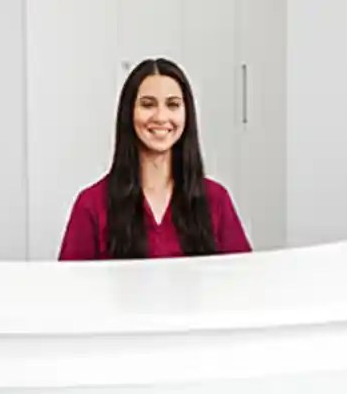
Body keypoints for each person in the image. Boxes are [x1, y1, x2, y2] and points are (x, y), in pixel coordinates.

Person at [58, 58, 252, 260]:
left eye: (173, 105)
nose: (161, 116)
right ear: (129, 113)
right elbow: (71, 288)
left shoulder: (216, 200)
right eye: (148, 104)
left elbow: (243, 283)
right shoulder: (90, 205)